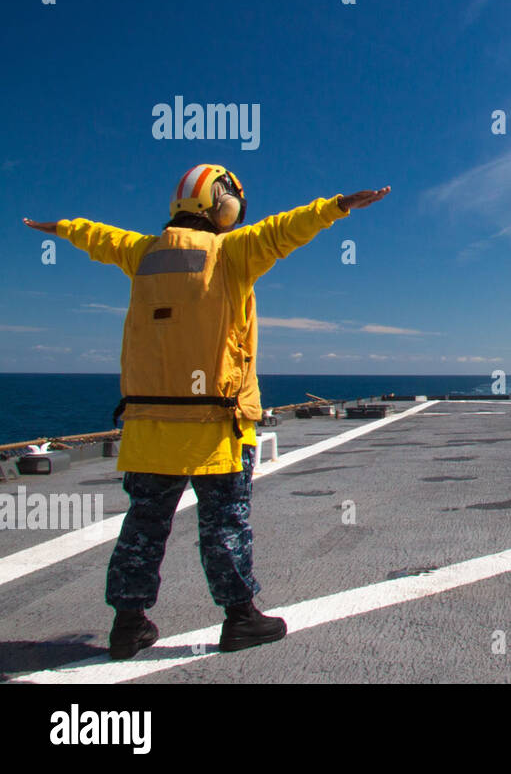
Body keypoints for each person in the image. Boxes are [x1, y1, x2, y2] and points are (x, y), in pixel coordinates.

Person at [23, 165, 390, 659]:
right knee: (225, 525)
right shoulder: (233, 252)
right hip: (215, 425)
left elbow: (99, 237)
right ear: (222, 203)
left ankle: (128, 625)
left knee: (144, 526)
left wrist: (63, 227)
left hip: (149, 427)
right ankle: (240, 618)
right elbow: (285, 230)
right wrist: (338, 206)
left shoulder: (142, 253)